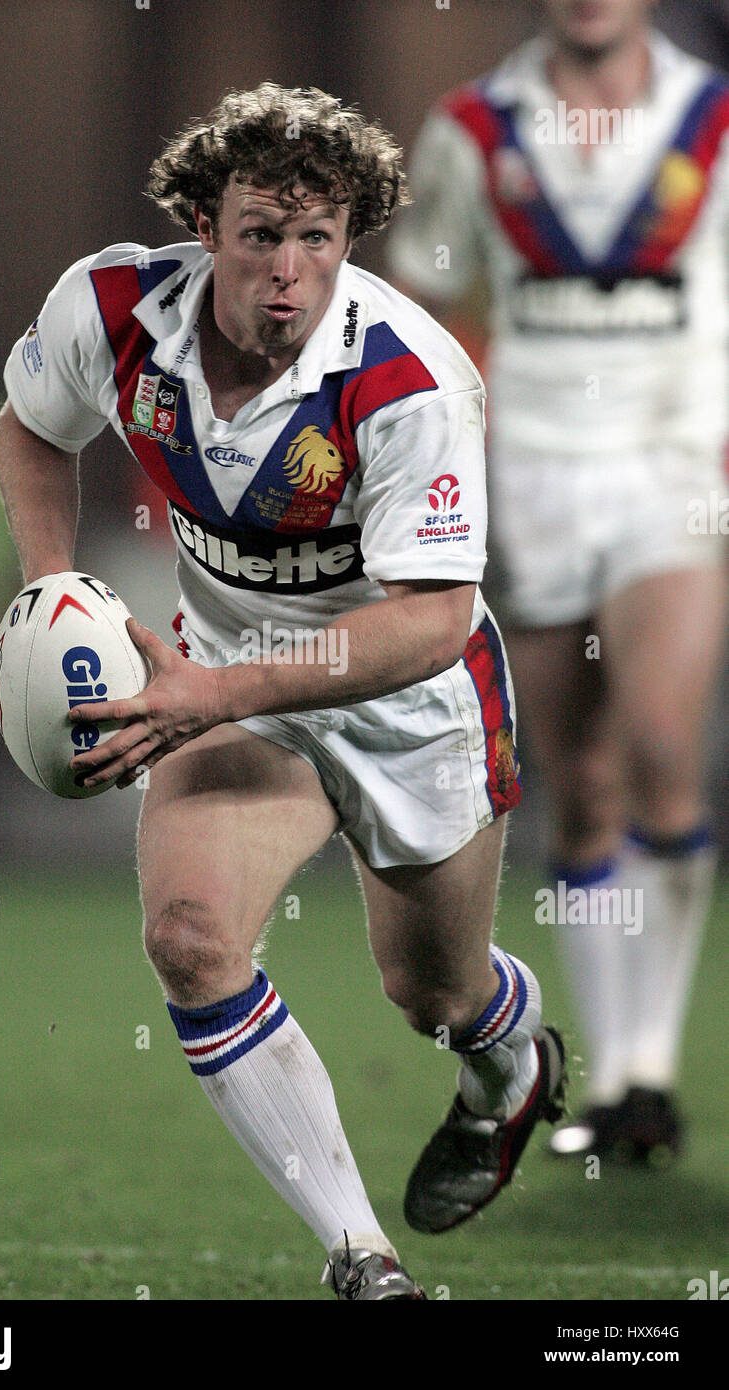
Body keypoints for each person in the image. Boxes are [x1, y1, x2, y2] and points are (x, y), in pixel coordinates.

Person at [0, 83, 564, 1301]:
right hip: (228, 682)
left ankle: (508, 1064)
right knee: (190, 941)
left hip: (408, 695)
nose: (291, 272)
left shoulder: (412, 379)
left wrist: (225, 685)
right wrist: (52, 595)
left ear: (352, 236)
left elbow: (429, 618)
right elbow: (33, 429)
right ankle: (361, 1258)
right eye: (262, 233)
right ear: (204, 224)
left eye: (321, 237)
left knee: (430, 991)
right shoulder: (110, 308)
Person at [388, 0, 729, 1162]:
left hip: (671, 472)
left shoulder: (713, 118)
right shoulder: (472, 130)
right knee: (574, 781)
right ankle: (611, 1075)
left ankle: (646, 1066)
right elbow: (434, 295)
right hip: (528, 474)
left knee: (660, 751)